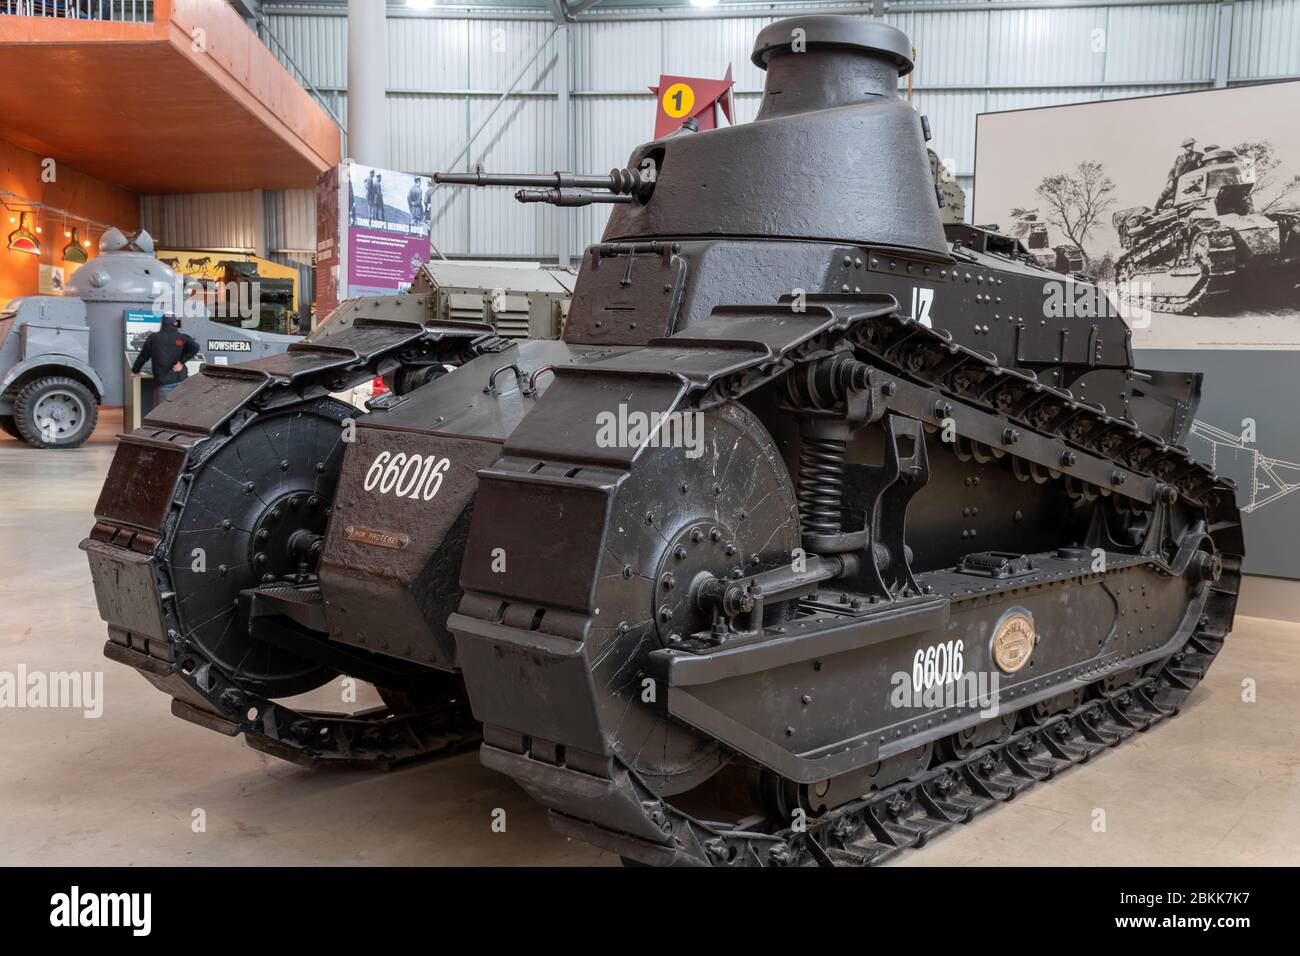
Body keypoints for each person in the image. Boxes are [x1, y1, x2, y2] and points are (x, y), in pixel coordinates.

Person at [130, 315, 200, 403]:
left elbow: (143, 356)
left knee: (163, 413)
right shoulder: (182, 338)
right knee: (180, 411)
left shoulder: (153, 338)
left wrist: (135, 371)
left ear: (162, 323)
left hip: (164, 382)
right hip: (181, 380)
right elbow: (196, 347)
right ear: (175, 323)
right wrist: (181, 362)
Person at [1156, 138, 1203, 209]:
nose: (1191, 146)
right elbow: (1172, 170)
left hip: (1188, 179)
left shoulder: (1198, 155)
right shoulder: (1179, 158)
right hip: (1176, 180)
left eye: (1192, 144)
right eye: (1189, 145)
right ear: (1185, 147)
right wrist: (1171, 180)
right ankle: (1156, 207)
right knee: (1168, 189)